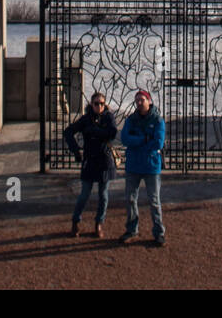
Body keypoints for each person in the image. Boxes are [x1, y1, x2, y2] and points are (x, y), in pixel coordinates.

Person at [62, 92, 117, 238]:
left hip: (104, 161)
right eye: (96, 103)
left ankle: (99, 223)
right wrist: (76, 151)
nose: (99, 106)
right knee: (84, 194)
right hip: (90, 160)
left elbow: (112, 133)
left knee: (103, 195)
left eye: (102, 103)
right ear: (91, 104)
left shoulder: (108, 117)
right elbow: (68, 132)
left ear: (105, 105)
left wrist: (95, 131)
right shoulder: (86, 119)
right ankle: (75, 221)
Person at [120, 89, 166, 247]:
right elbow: (124, 138)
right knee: (130, 199)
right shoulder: (131, 120)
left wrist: (137, 142)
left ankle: (159, 232)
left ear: (149, 101)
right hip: (134, 165)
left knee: (154, 200)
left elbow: (158, 143)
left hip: (150, 166)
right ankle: (132, 229)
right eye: (137, 100)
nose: (139, 103)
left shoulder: (158, 120)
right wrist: (144, 139)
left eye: (142, 100)